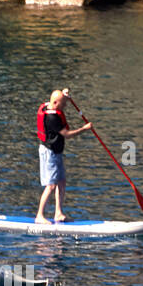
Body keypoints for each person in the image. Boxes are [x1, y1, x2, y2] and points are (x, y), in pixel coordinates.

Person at [36, 89, 92, 223]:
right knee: (51, 185)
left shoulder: (48, 105)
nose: (65, 107)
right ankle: (39, 215)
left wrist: (65, 95)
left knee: (61, 182)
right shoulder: (52, 118)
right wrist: (84, 129)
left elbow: (58, 99)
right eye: (63, 104)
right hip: (49, 153)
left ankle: (58, 214)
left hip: (56, 152)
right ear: (55, 103)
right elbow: (67, 134)